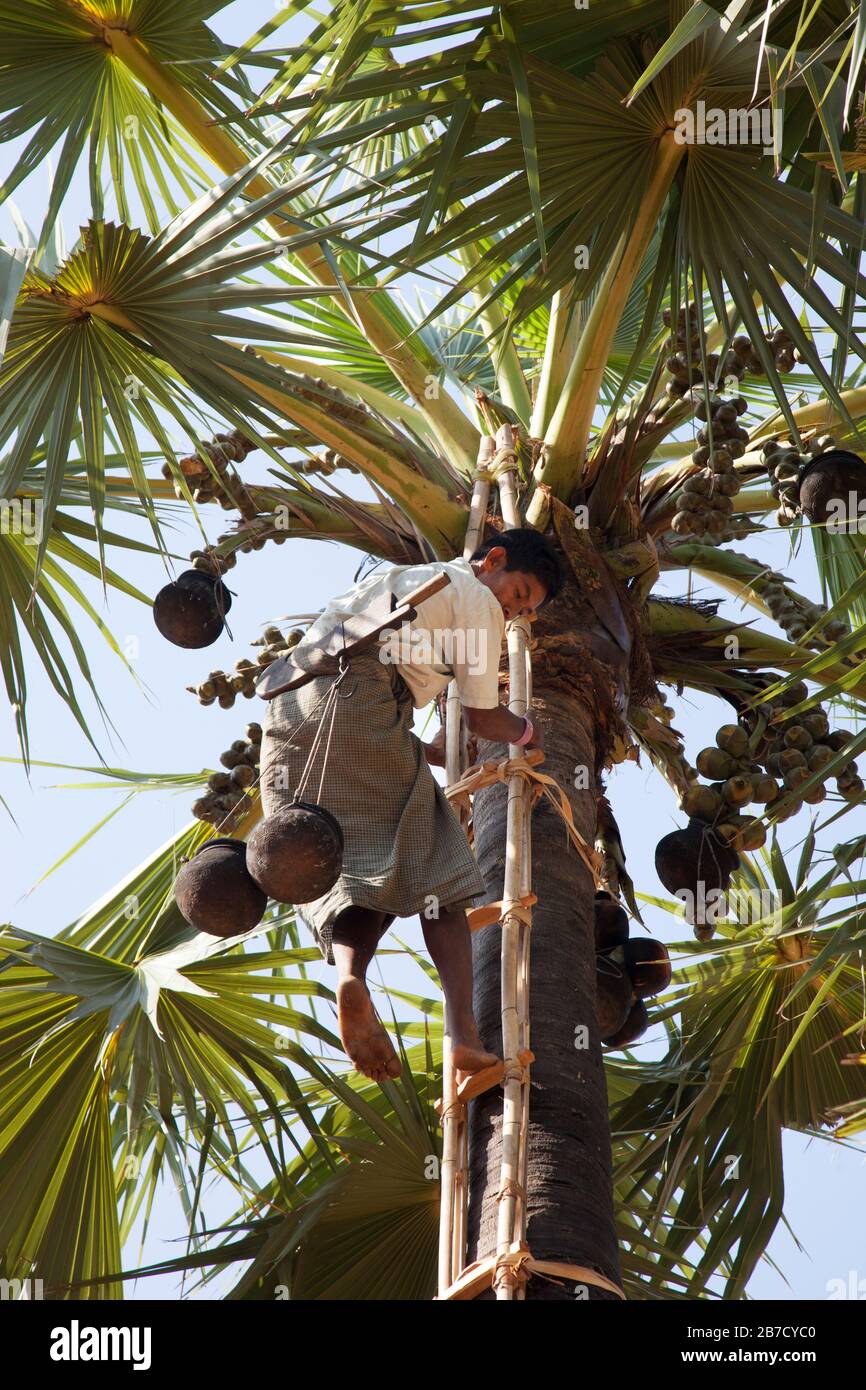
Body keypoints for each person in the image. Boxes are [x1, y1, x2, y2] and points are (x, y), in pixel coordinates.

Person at [259, 528, 562, 1085]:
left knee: (358, 858)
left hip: (293, 710)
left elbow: (366, 669)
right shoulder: (474, 596)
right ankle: (464, 1037)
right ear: (492, 560)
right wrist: (528, 732)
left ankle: (350, 975)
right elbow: (483, 718)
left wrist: (423, 751)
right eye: (516, 593)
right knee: (439, 867)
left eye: (522, 610)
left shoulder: (401, 579)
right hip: (364, 700)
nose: (511, 609)